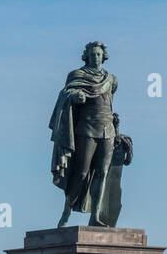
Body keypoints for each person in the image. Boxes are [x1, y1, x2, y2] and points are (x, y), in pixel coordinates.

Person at [50, 40, 118, 228]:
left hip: (108, 130)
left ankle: (95, 216)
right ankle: (66, 211)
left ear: (103, 56)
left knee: (102, 173)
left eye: (99, 54)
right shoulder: (77, 75)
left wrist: (116, 128)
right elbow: (64, 95)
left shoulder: (111, 79)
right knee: (81, 173)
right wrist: (73, 97)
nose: (96, 57)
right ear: (86, 56)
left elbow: (110, 104)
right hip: (86, 129)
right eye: (92, 54)